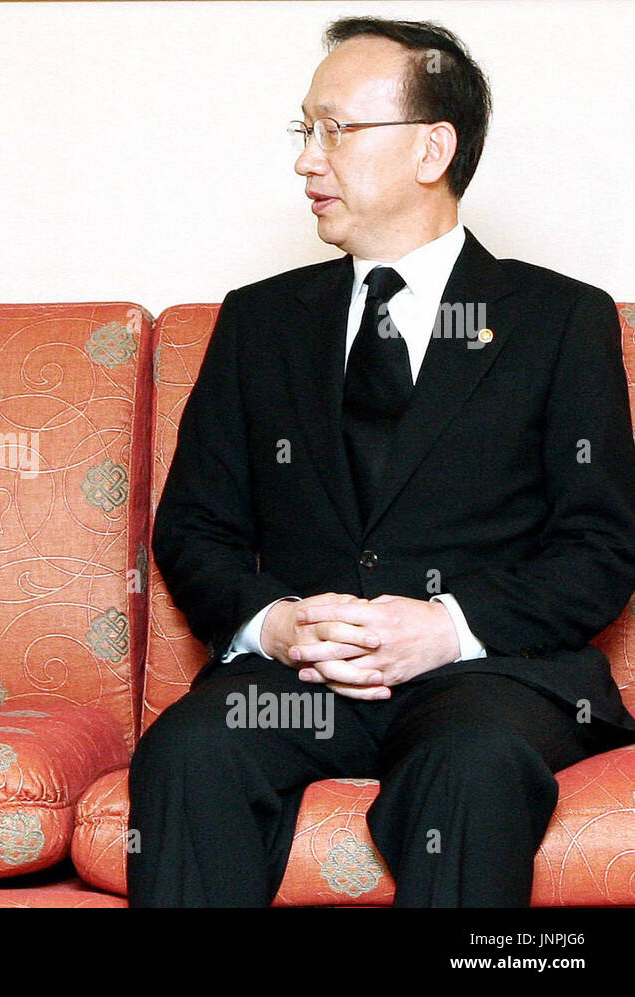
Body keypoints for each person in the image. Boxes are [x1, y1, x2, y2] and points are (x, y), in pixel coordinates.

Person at [129, 17, 635, 907]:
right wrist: (274, 623)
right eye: (304, 131)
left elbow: (599, 548)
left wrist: (445, 626)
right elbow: (196, 528)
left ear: (432, 148)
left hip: (485, 678)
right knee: (189, 750)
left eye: (336, 130)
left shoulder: (559, 321)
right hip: (305, 686)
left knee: (471, 763)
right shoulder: (260, 323)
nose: (306, 162)